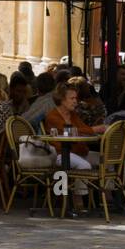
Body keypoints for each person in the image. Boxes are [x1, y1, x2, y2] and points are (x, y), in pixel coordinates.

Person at [45, 81, 107, 217]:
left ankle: (108, 199)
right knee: (83, 165)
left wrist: (93, 130)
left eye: (76, 98)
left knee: (107, 161)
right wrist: (94, 129)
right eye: (72, 98)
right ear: (62, 100)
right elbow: (74, 131)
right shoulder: (52, 116)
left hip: (78, 151)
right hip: (62, 154)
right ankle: (78, 200)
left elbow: (82, 129)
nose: (76, 101)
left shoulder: (73, 115)